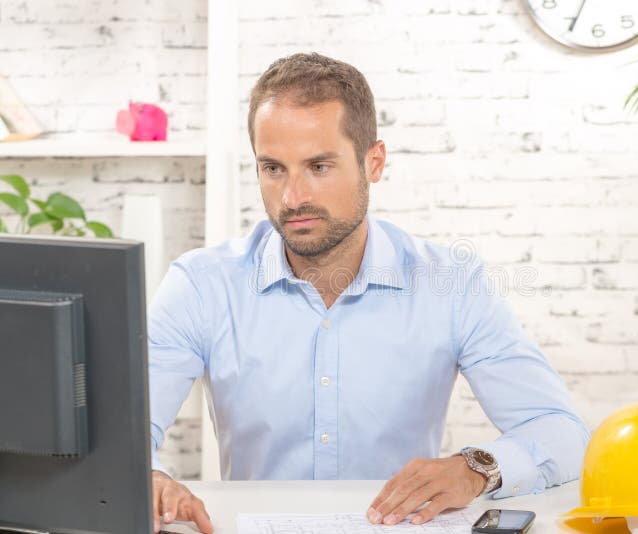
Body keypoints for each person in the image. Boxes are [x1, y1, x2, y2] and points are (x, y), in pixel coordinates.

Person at [148, 52, 589, 534]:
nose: (292, 197)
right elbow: (122, 435)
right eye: (273, 169)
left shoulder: (452, 283)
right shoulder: (201, 285)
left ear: (373, 162)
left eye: (319, 166)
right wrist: (150, 477)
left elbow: (562, 433)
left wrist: (475, 468)